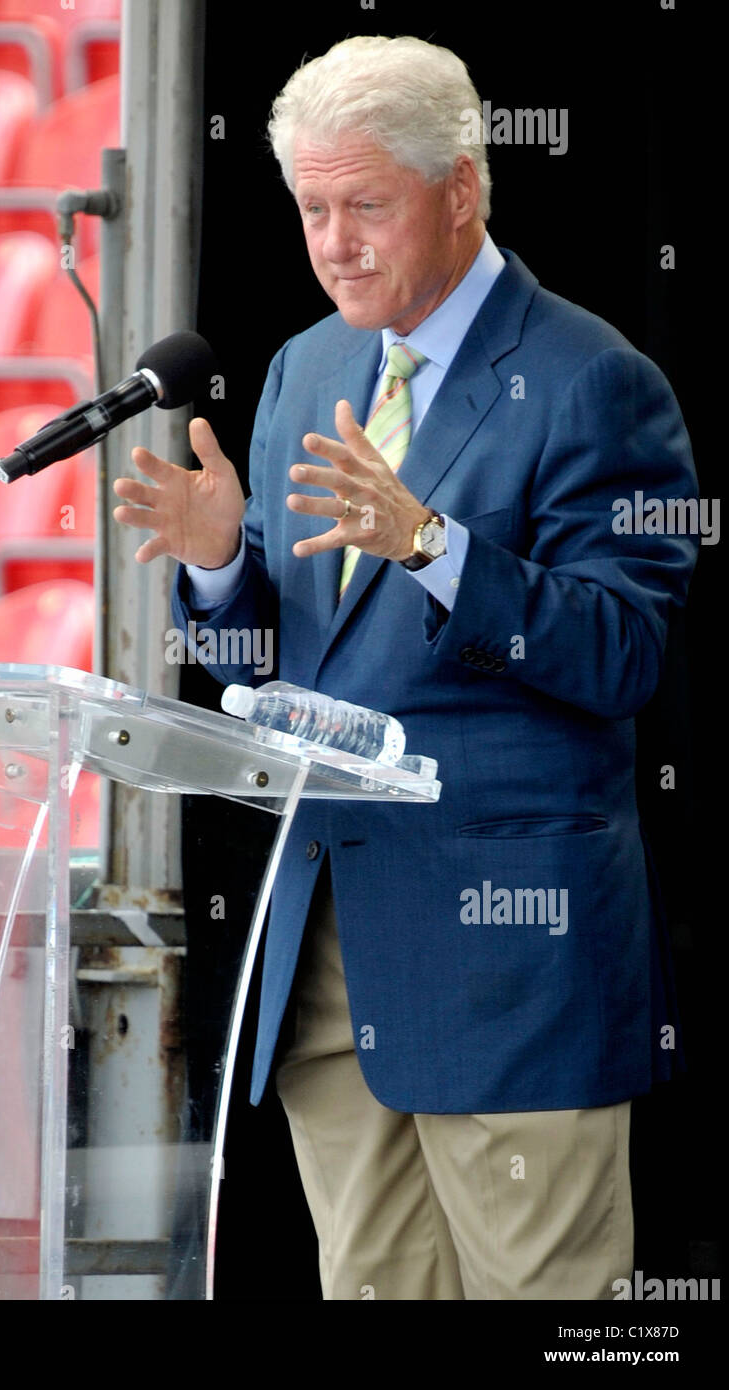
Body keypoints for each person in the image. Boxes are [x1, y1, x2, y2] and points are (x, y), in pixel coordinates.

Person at [112, 35, 698, 1300]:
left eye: (366, 205)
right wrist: (220, 570)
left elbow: (626, 651)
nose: (335, 243)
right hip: (329, 951)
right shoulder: (305, 371)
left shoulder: (598, 381)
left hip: (515, 969)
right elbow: (264, 657)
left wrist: (434, 545)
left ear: (463, 190)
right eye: (313, 209)